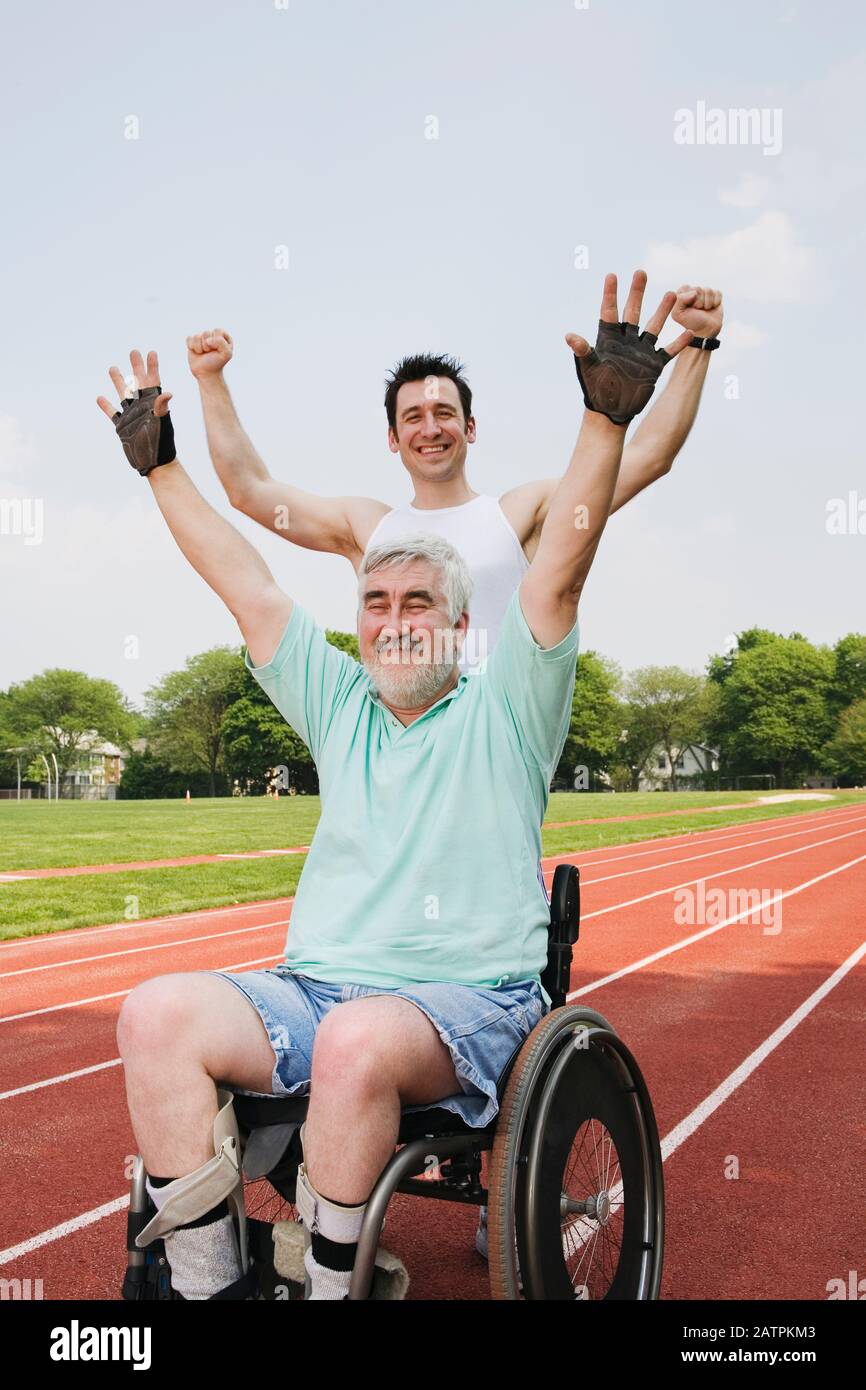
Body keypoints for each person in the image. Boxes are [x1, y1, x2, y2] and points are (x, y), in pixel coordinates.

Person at [100, 270, 689, 1300]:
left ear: (461, 627)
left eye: (419, 598)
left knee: (359, 1038)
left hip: (462, 1001)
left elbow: (561, 564)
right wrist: (160, 471)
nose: (393, 614)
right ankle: (206, 1285)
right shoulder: (338, 704)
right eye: (374, 600)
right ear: (357, 620)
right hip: (321, 985)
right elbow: (242, 574)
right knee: (154, 1013)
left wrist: (601, 419)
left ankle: (336, 1286)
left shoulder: (506, 706)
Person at [185, 273, 722, 674]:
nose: (430, 428)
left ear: (470, 427)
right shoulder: (366, 526)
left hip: (494, 743)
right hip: (397, 738)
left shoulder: (521, 513)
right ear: (393, 439)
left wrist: (698, 344)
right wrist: (210, 381)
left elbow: (649, 456)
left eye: (444, 414)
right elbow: (249, 490)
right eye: (412, 417)